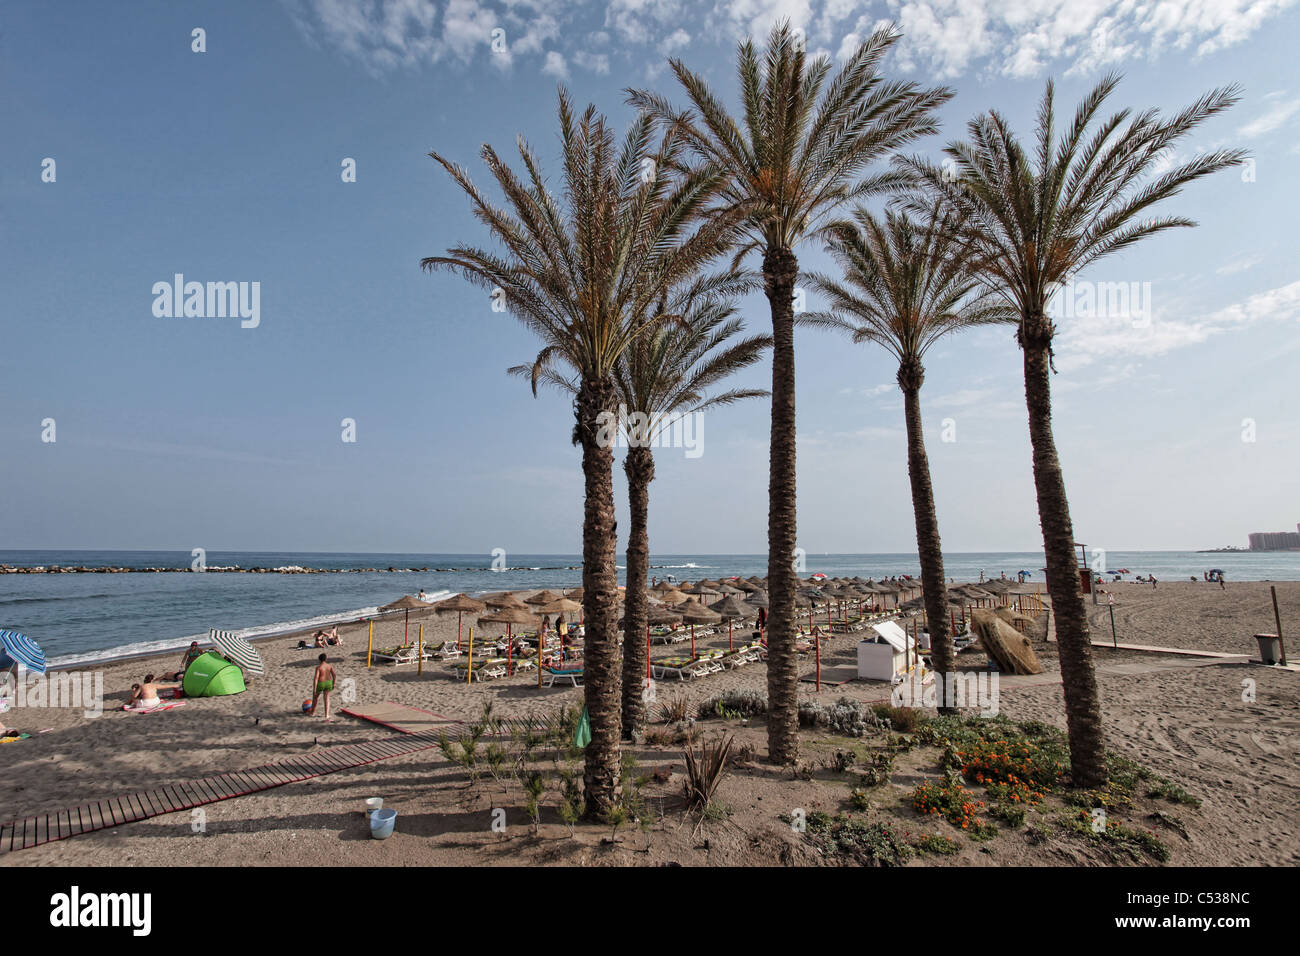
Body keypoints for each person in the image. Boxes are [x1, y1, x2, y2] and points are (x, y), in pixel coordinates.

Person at [308, 654, 337, 720]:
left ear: (319, 660)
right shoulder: (329, 666)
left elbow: (316, 678)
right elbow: (334, 675)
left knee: (315, 697)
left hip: (321, 683)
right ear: (326, 659)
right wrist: (333, 683)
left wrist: (314, 689)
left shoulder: (318, 667)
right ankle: (326, 715)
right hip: (328, 682)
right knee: (326, 698)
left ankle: (312, 713)